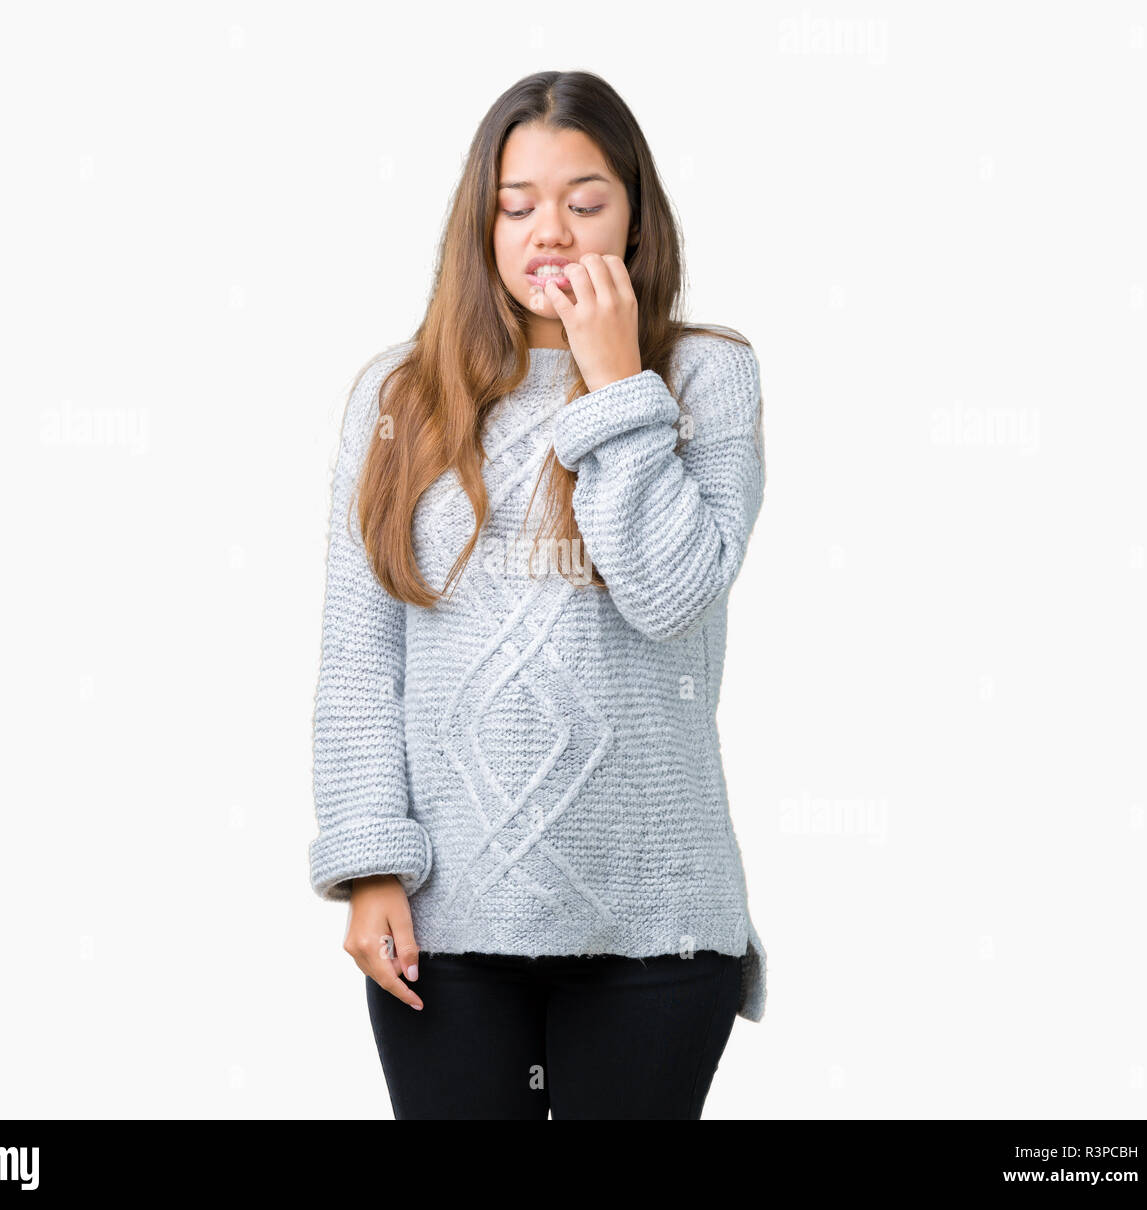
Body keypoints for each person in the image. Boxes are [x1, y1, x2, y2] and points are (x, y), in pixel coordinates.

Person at [308, 70, 769, 1119]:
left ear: (637, 217)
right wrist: (369, 865)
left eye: (584, 200)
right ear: (482, 222)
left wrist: (615, 388)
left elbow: (671, 593)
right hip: (447, 925)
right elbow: (359, 655)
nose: (548, 231)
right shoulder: (399, 396)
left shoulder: (705, 379)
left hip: (655, 924)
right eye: (517, 205)